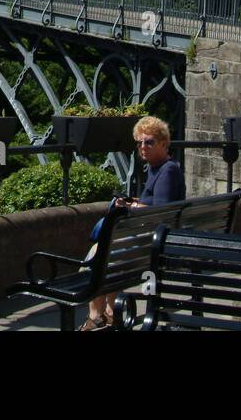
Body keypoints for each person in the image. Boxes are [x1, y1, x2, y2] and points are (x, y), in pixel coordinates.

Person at [80, 116, 185, 330]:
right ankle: (109, 312)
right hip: (154, 239)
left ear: (164, 144)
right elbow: (154, 203)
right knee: (105, 250)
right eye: (139, 142)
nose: (142, 146)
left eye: (149, 142)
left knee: (99, 254)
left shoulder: (168, 171)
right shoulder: (159, 168)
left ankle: (96, 316)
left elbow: (159, 211)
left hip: (153, 244)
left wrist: (130, 209)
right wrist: (132, 202)